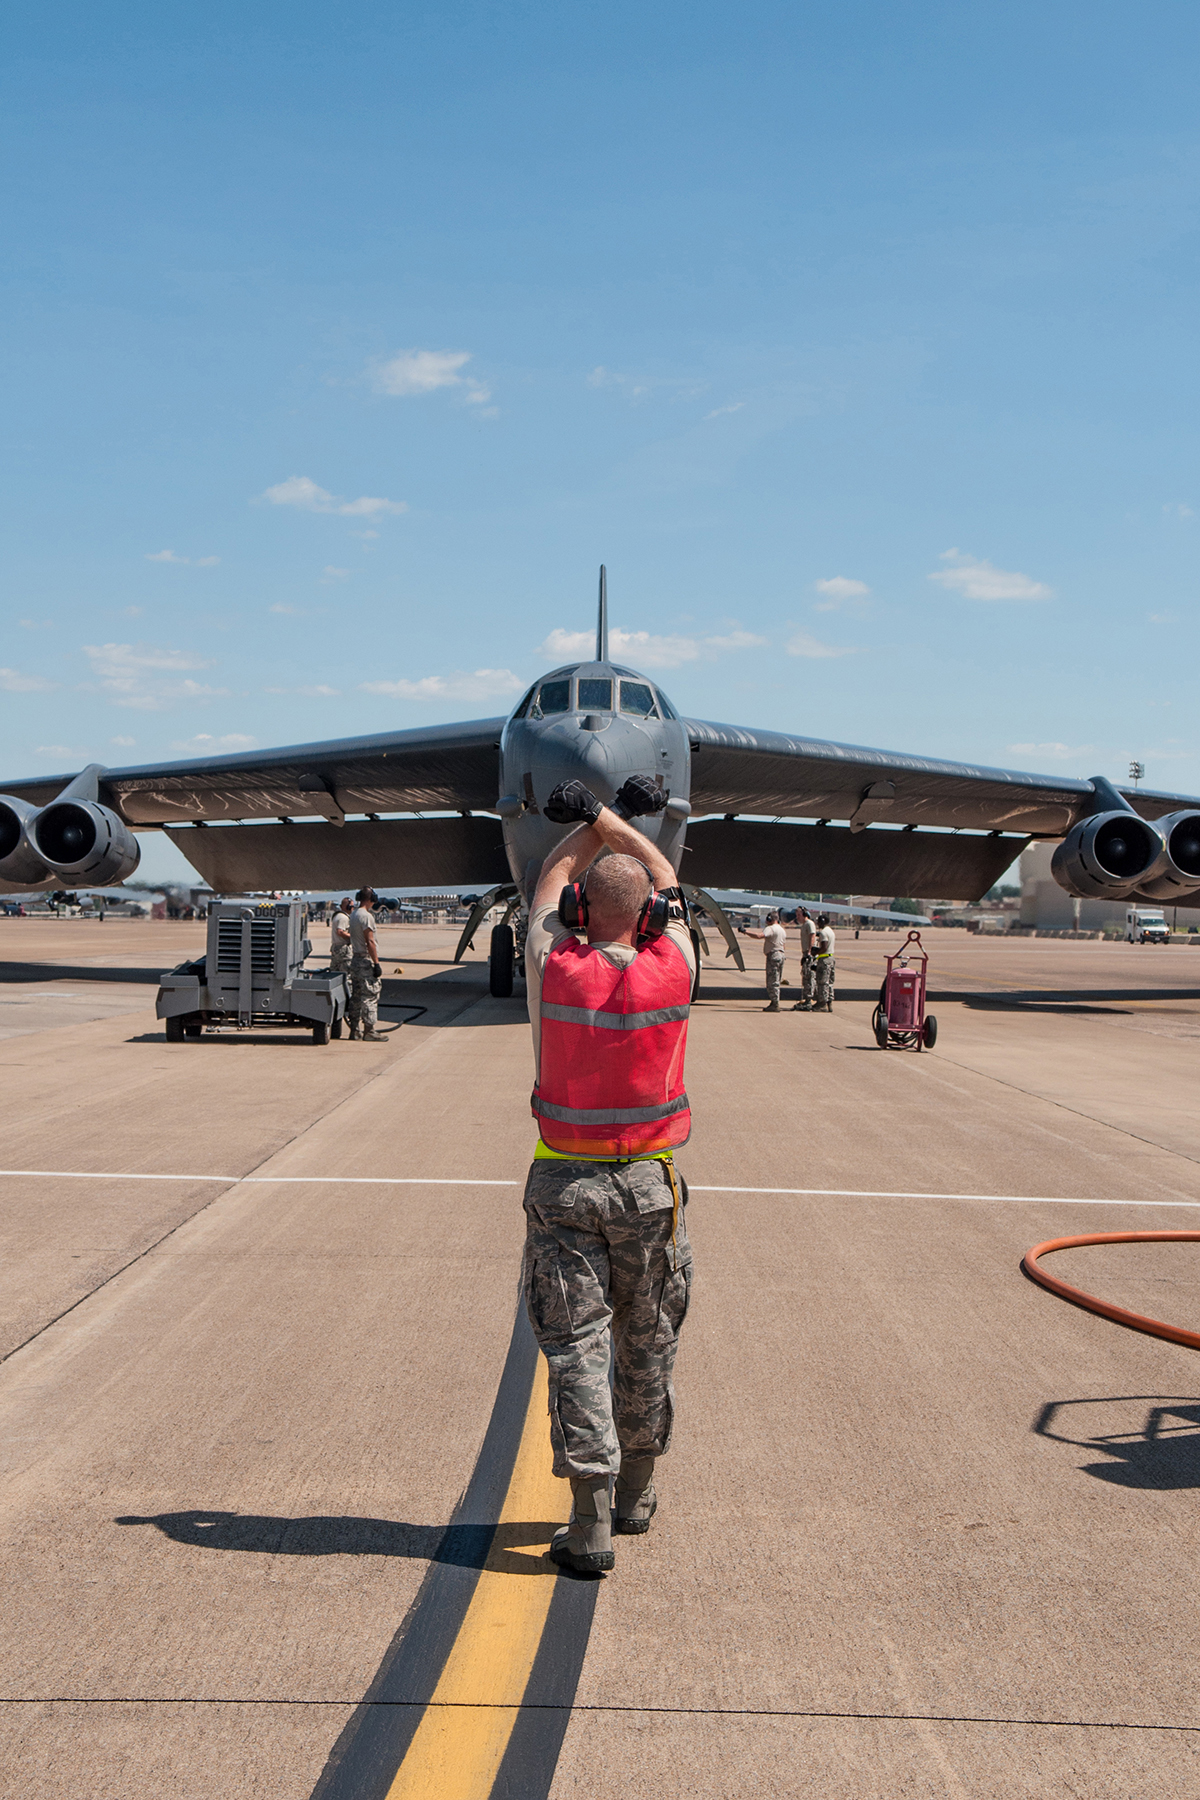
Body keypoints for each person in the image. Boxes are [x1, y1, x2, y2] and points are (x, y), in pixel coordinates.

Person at [522, 773, 696, 1576]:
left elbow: (548, 884)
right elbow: (660, 876)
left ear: (581, 916)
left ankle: (588, 1525)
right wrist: (617, 815)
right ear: (656, 916)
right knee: (646, 1339)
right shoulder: (678, 965)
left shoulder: (553, 964)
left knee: (578, 1348)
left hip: (565, 1189)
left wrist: (579, 820)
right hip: (650, 1189)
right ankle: (638, 1496)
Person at [347, 887, 386, 1042]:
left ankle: (354, 1030)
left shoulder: (354, 915)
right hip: (365, 960)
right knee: (370, 995)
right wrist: (376, 963)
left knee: (356, 996)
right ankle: (369, 1030)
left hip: (355, 960)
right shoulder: (366, 916)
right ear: (372, 899)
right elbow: (370, 941)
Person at [742, 909, 788, 1011]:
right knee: (777, 979)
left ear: (770, 919)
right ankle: (775, 1001)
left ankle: (775, 1003)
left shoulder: (771, 928)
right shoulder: (782, 930)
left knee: (772, 981)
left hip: (774, 955)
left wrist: (745, 931)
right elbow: (784, 945)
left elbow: (759, 936)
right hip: (781, 955)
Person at [791, 907, 816, 1011]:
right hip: (805, 953)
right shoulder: (803, 925)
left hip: (809, 954)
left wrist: (809, 952)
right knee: (805, 976)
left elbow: (812, 936)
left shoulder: (809, 924)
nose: (797, 917)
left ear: (804, 914)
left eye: (799, 915)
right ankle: (806, 998)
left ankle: (809, 999)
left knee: (809, 977)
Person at [813, 911, 836, 1011]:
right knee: (829, 982)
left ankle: (822, 1004)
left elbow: (824, 947)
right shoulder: (830, 930)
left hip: (824, 959)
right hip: (831, 958)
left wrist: (816, 952)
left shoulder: (823, 933)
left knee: (822, 982)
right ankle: (829, 1003)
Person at [330, 897, 353, 978]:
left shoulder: (338, 916)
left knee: (335, 973)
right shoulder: (343, 918)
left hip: (336, 947)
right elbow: (340, 931)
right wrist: (352, 937)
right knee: (346, 974)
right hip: (343, 949)